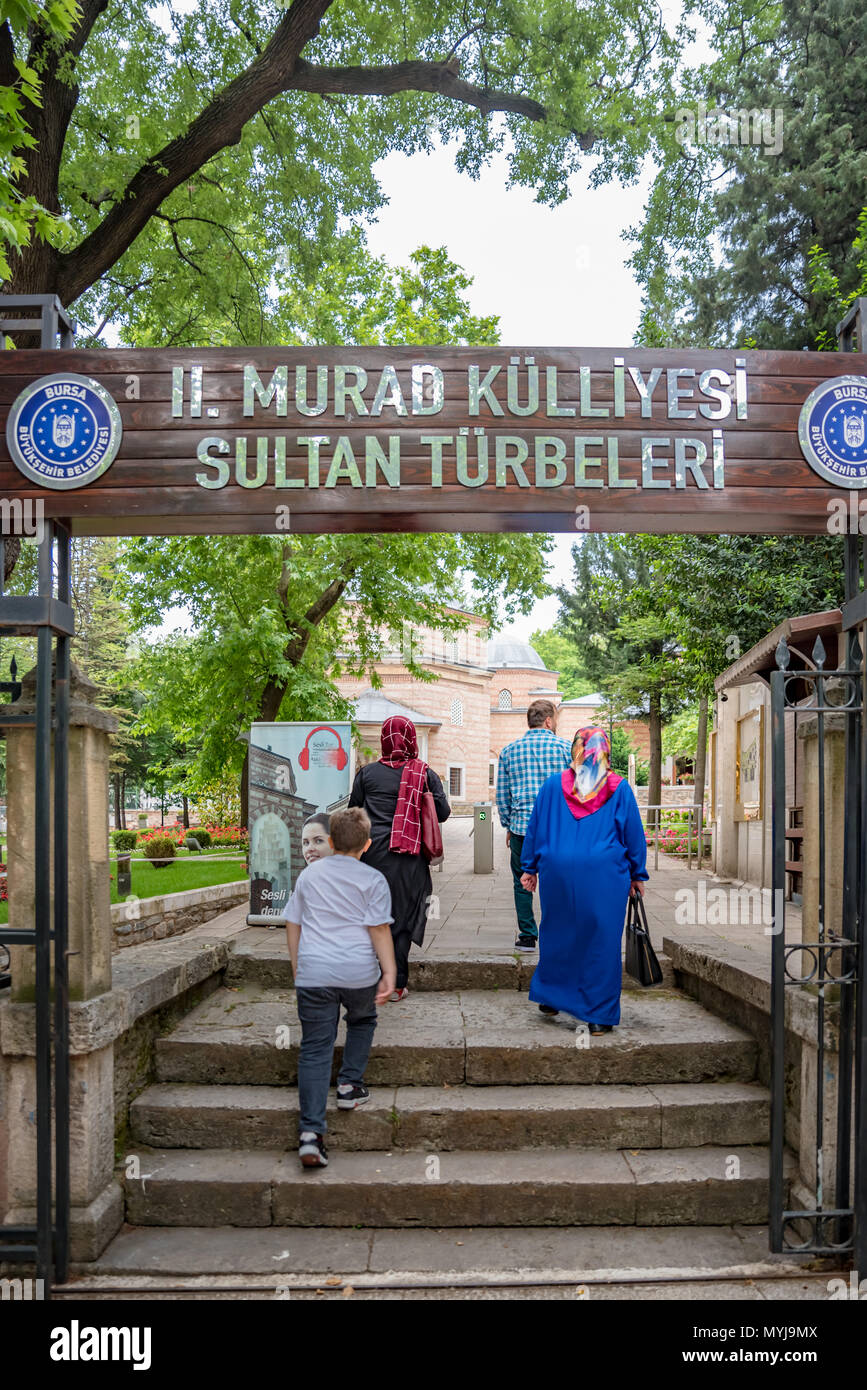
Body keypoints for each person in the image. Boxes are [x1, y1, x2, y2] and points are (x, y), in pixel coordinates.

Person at [284, 806, 396, 1169]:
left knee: (315, 1047)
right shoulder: (374, 879)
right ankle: (349, 1084)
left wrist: (298, 965)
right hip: (358, 971)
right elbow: (379, 929)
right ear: (367, 844)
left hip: (314, 971)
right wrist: (389, 972)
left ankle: (310, 1135)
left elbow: (293, 923)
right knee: (362, 1020)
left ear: (330, 842)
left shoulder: (310, 876)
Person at [519, 725, 648, 1034]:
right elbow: (633, 834)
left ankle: (552, 997)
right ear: (606, 751)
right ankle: (599, 1016)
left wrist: (530, 867)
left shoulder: (553, 786)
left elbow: (535, 826)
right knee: (601, 941)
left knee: (558, 931)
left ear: (574, 750)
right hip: (604, 873)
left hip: (558, 871)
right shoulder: (618, 788)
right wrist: (637, 873)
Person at [348, 714, 450, 1001]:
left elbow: (353, 812)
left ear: (383, 740)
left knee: (374, 914)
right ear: (411, 739)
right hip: (409, 856)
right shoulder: (424, 773)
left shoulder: (366, 774)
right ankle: (397, 983)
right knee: (402, 917)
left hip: (372, 857)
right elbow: (443, 813)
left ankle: (372, 977)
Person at [496, 698, 572, 952]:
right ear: (549, 720)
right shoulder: (565, 748)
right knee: (560, 880)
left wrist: (508, 824)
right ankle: (560, 930)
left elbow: (502, 796)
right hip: (557, 828)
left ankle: (528, 935)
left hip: (522, 828)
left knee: (521, 881)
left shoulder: (508, 751)